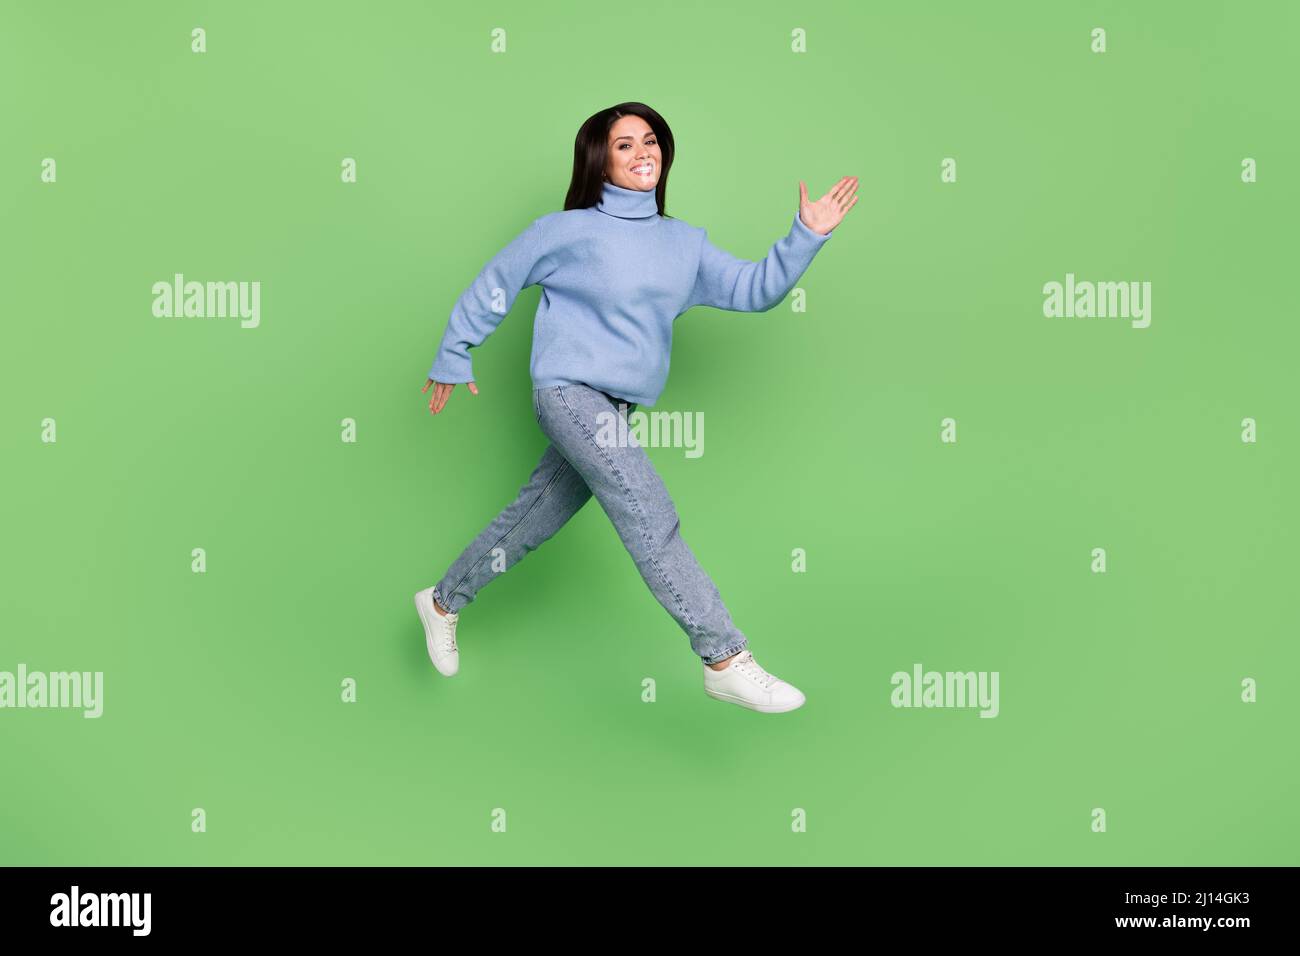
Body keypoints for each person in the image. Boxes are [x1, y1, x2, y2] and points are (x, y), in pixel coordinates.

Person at [416, 101, 857, 713]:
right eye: (624, 144)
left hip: (616, 409)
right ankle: (725, 657)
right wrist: (454, 351)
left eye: (649, 140)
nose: (642, 151)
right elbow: (499, 280)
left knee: (531, 521)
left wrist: (805, 236)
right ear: (599, 159)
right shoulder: (565, 231)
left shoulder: (684, 245)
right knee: (650, 511)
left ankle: (442, 601)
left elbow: (754, 290)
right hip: (568, 393)